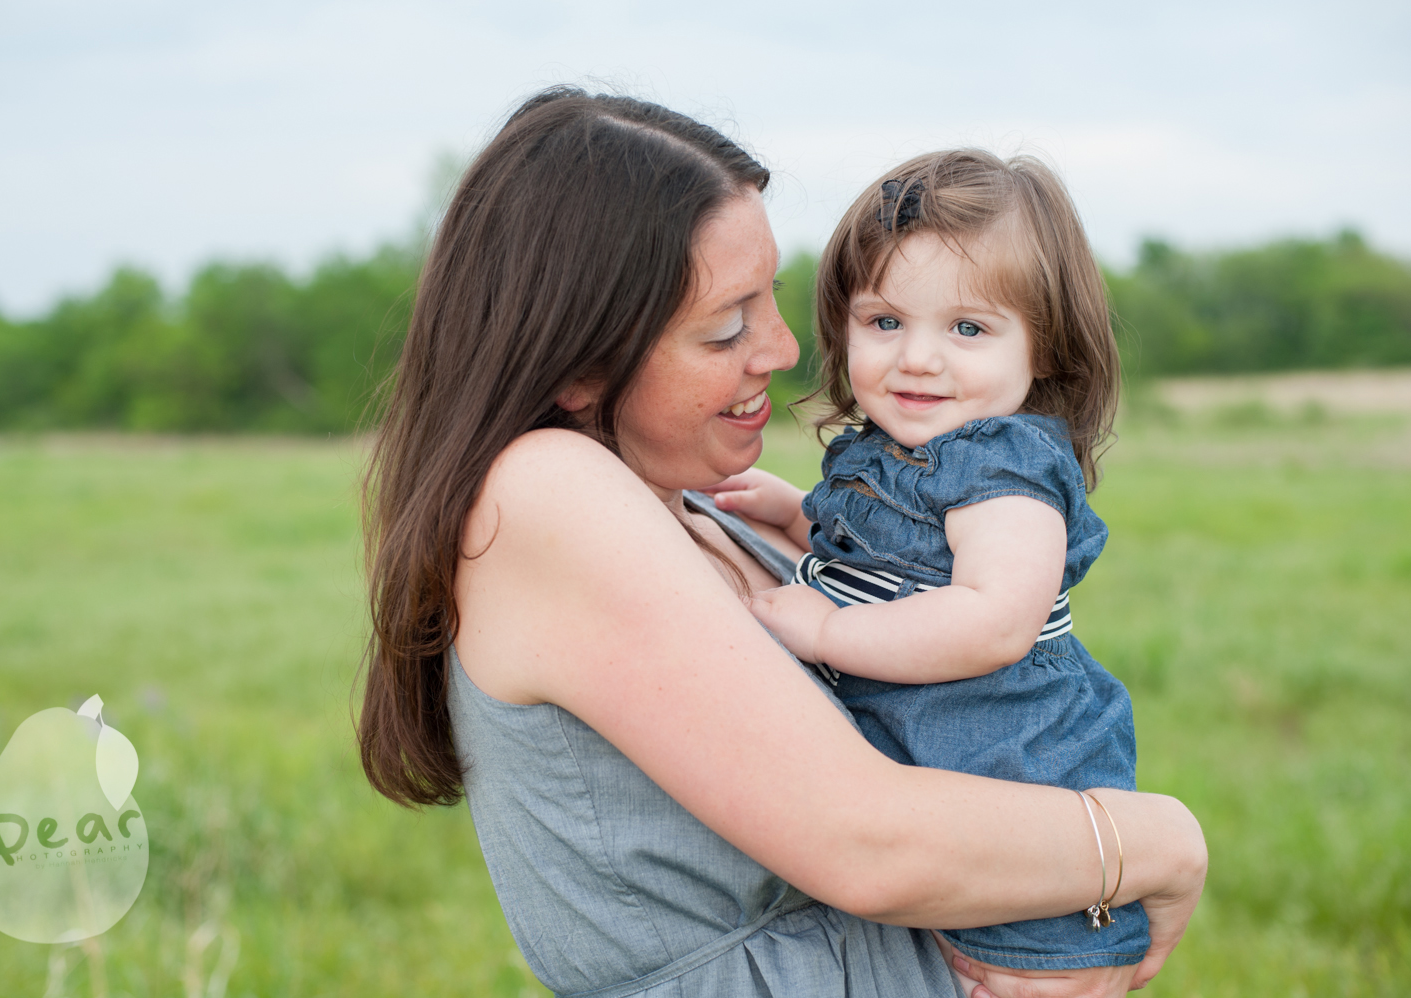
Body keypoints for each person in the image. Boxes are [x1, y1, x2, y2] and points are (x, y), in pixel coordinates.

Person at [358, 87, 1206, 998]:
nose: (784, 347)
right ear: (579, 364)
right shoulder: (546, 491)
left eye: (774, 298)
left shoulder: (701, 507)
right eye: (728, 325)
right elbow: (865, 843)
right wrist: (1156, 842)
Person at [707, 150, 1148, 974]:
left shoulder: (1006, 473)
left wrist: (830, 632)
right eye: (885, 322)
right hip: (934, 809)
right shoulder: (894, 448)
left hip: (1013, 788)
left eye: (967, 329)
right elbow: (894, 554)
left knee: (1018, 973)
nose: (917, 357)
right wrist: (796, 512)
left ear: (1044, 349)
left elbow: (991, 621)